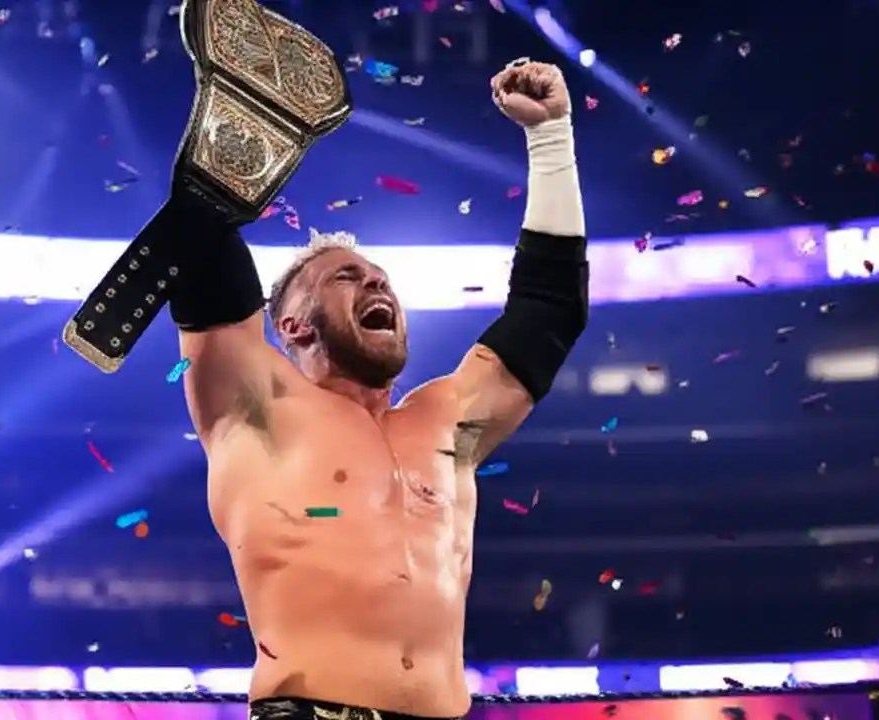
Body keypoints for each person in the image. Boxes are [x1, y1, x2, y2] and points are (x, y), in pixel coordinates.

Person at [167, 59, 587, 720]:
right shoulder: (256, 407)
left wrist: (551, 138)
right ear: (294, 324)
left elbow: (549, 312)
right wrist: (235, 114)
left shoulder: (447, 419)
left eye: (382, 278)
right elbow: (204, 254)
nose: (377, 285)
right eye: (346, 277)